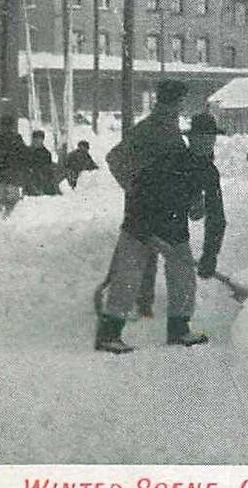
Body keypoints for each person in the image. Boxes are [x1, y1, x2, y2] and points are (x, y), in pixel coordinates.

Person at [96, 85, 223, 353]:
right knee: (129, 274)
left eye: (210, 138)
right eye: (201, 137)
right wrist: (133, 189)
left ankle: (178, 328)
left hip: (171, 223)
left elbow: (215, 216)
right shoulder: (159, 135)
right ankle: (109, 333)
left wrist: (210, 254)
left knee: (183, 274)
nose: (206, 143)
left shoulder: (198, 160)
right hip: (142, 217)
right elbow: (128, 169)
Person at [24, 130, 60, 195]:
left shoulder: (46, 153)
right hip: (31, 176)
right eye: (36, 139)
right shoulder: (27, 151)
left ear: (42, 140)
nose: (37, 141)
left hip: (43, 176)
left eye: (40, 139)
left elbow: (48, 166)